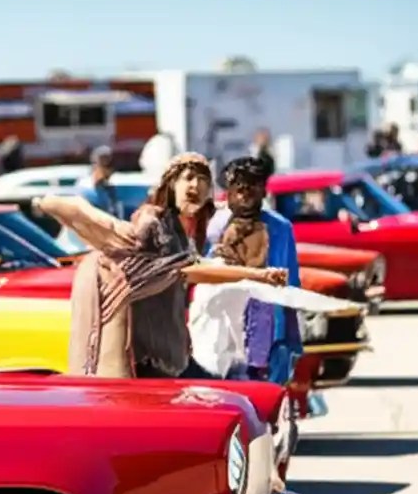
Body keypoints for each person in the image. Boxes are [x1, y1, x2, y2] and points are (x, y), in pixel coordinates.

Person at [35, 152, 286, 379]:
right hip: (143, 356)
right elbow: (188, 270)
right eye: (188, 178)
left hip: (166, 351)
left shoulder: (181, 227)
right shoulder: (154, 223)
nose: (195, 185)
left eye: (202, 180)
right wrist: (256, 275)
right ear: (171, 185)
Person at [205, 156, 302, 384]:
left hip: (271, 335)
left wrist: (291, 340)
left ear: (264, 191)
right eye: (238, 187)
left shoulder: (280, 228)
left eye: (253, 186)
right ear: (227, 193)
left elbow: (292, 287)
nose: (245, 194)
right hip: (225, 332)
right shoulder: (214, 229)